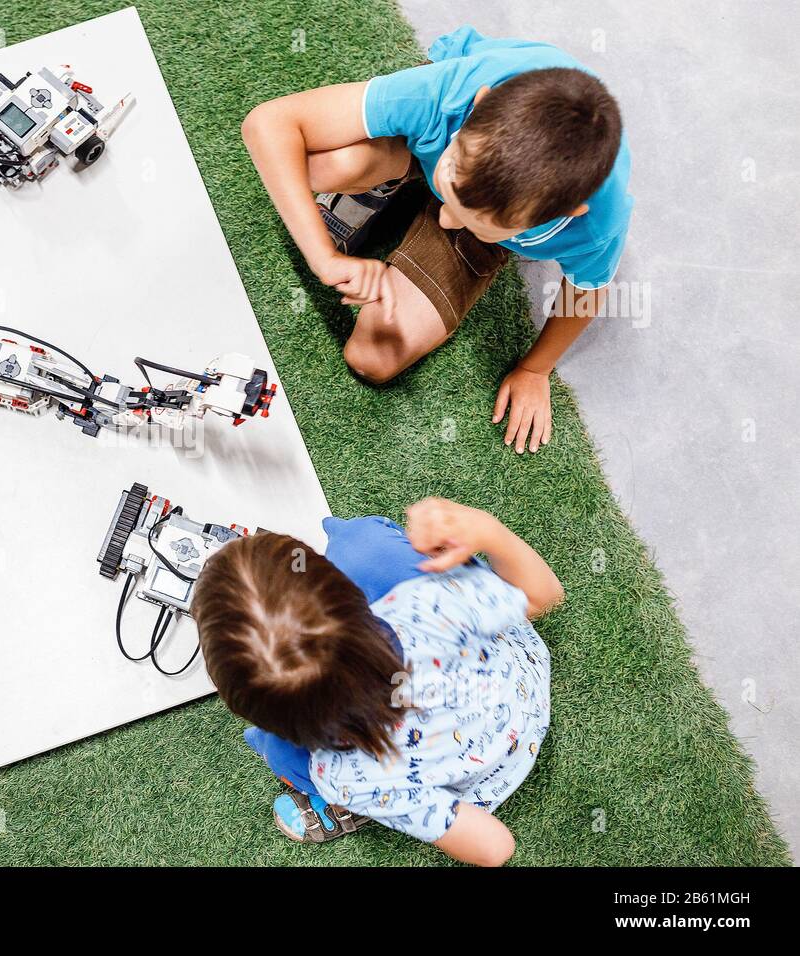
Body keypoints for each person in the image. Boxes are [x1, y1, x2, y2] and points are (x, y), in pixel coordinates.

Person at [241, 26, 633, 454]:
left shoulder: (595, 225)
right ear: (478, 106)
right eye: (452, 187)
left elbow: (586, 291)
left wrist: (536, 370)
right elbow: (269, 123)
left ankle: (449, 196)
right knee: (324, 166)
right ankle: (388, 178)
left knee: (373, 356)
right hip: (421, 145)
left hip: (449, 158)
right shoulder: (451, 91)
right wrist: (324, 258)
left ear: (561, 215)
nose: (446, 218)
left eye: (475, 221)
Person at [191, 498, 563, 865]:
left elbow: (497, 848)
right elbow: (543, 595)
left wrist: (406, 803)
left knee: (278, 754)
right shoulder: (426, 607)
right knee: (361, 542)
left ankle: (359, 807)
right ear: (352, 593)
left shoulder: (340, 776)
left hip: (480, 785)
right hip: (523, 684)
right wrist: (486, 529)